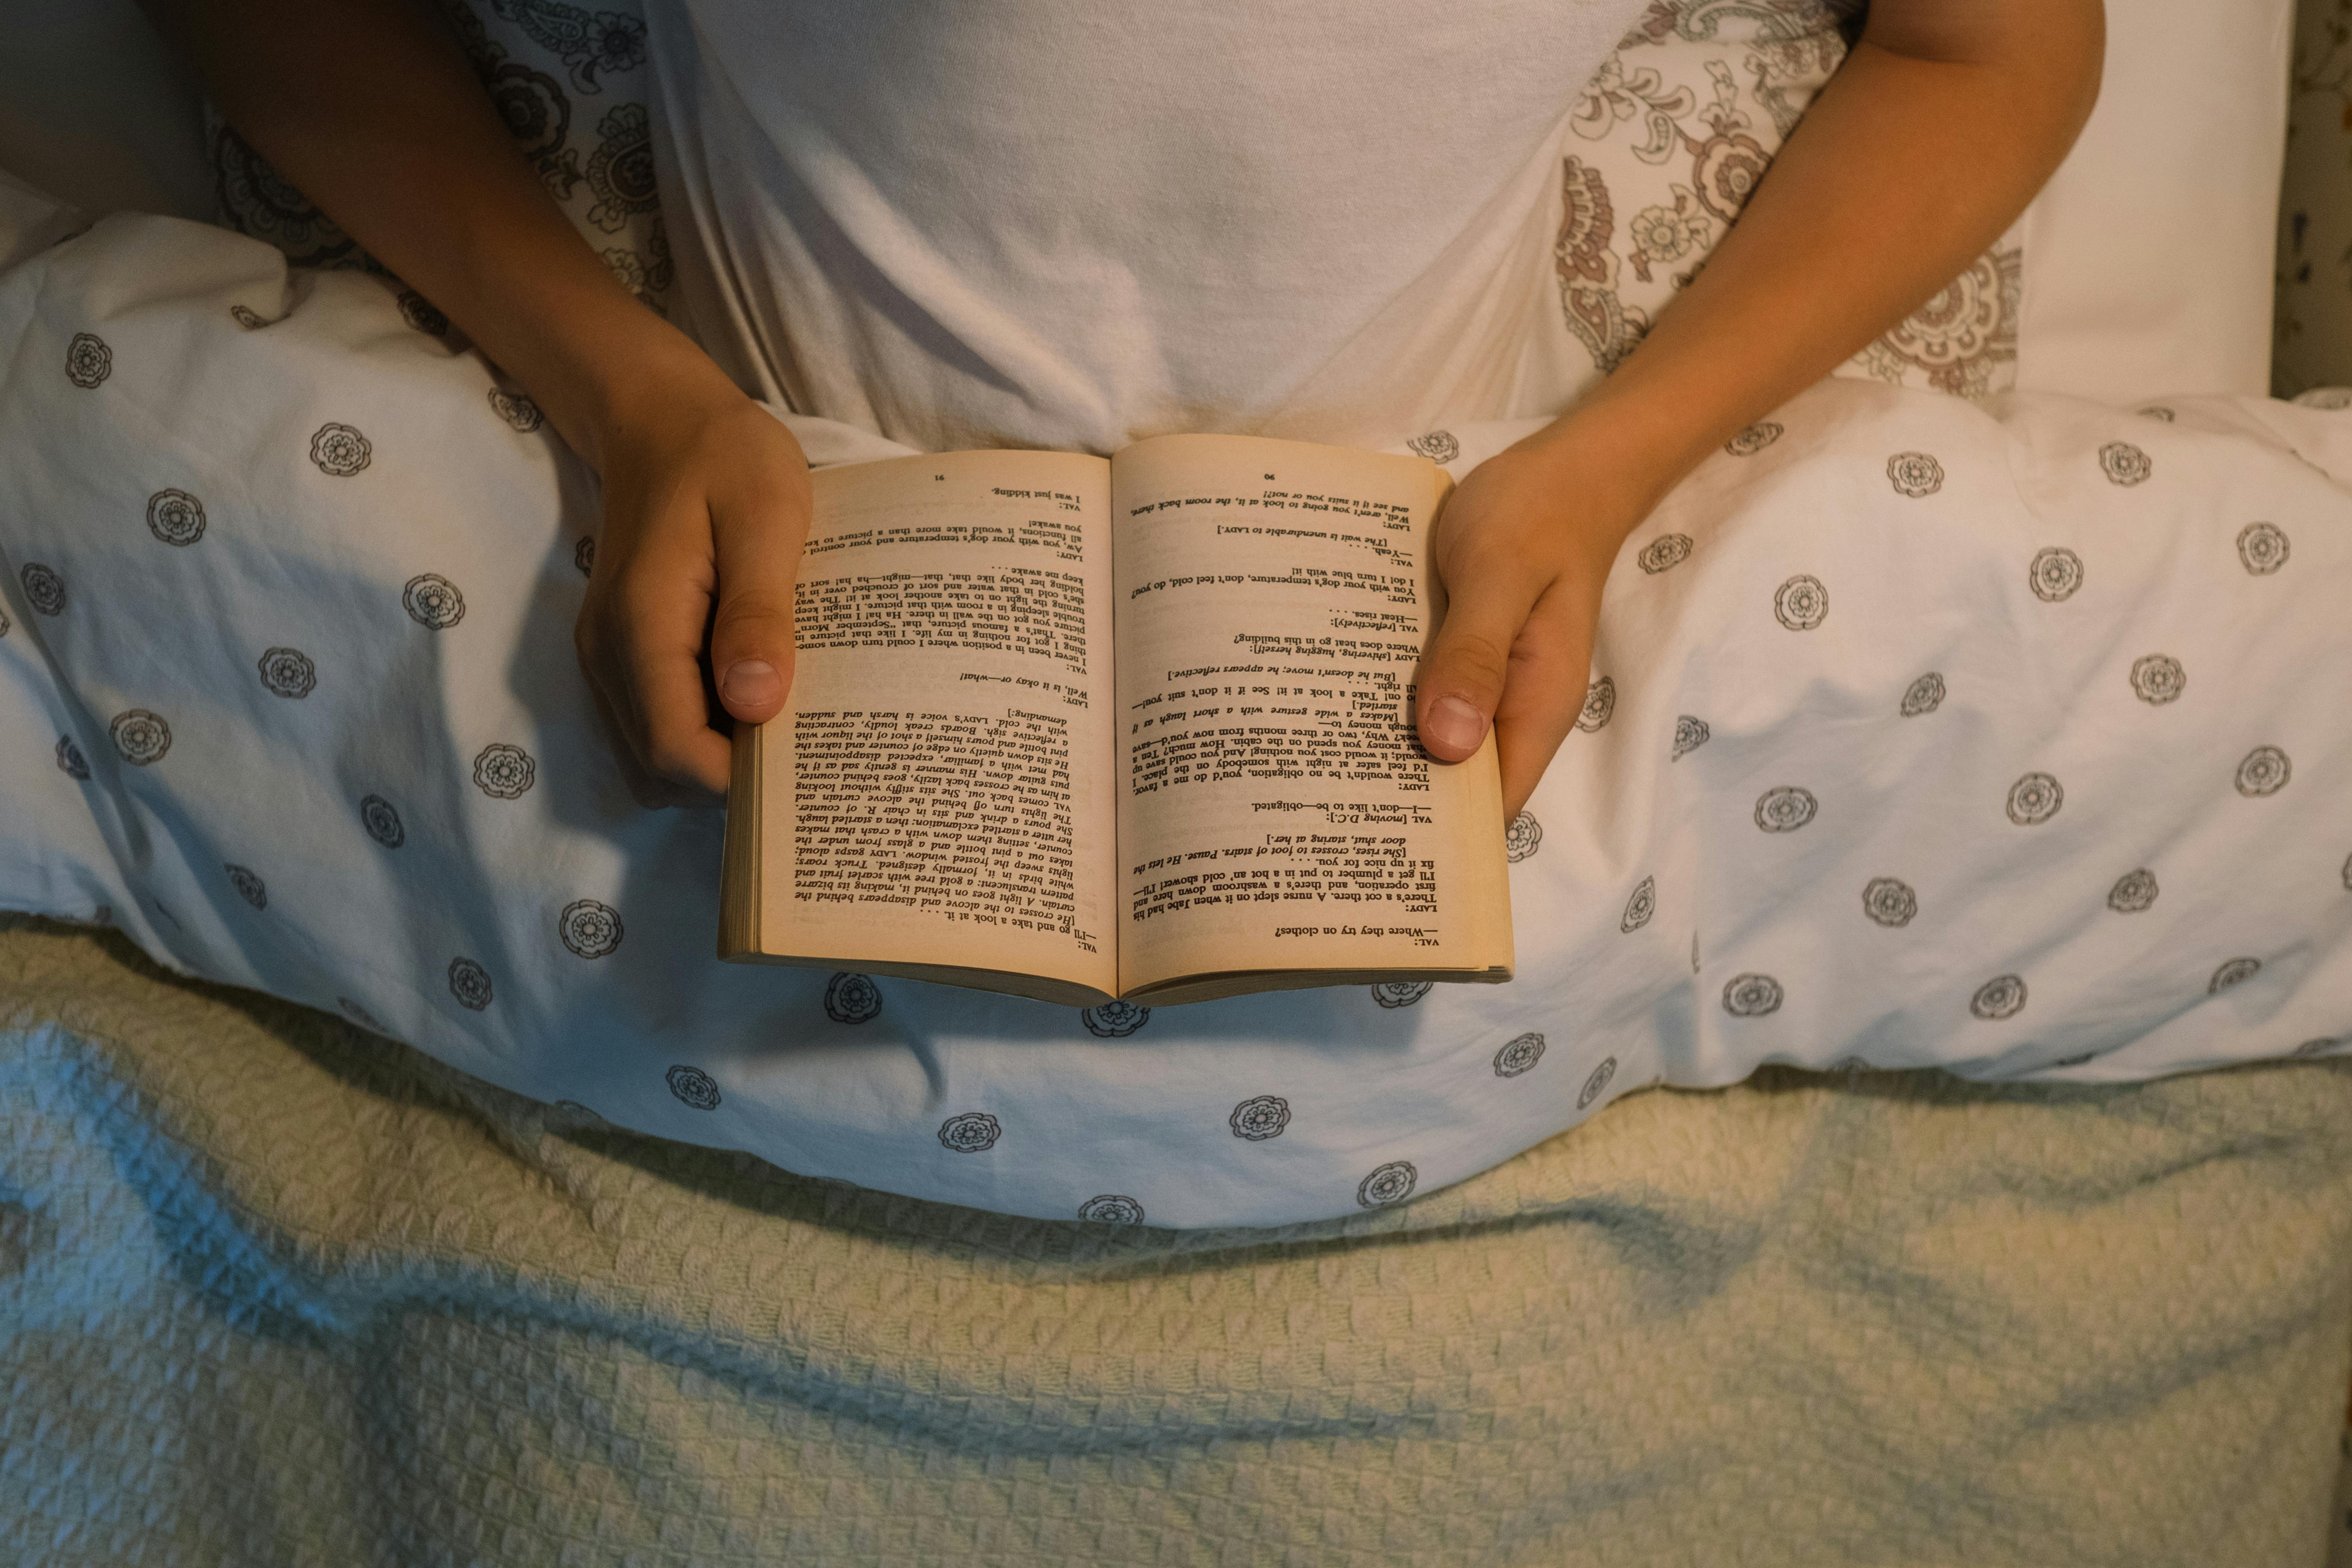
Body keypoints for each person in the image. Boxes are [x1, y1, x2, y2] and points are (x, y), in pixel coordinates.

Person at [147, 0, 2103, 819]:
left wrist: (1603, 473)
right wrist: (632, 393)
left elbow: (1992, 47)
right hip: (728, 581)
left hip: (1464, 607)